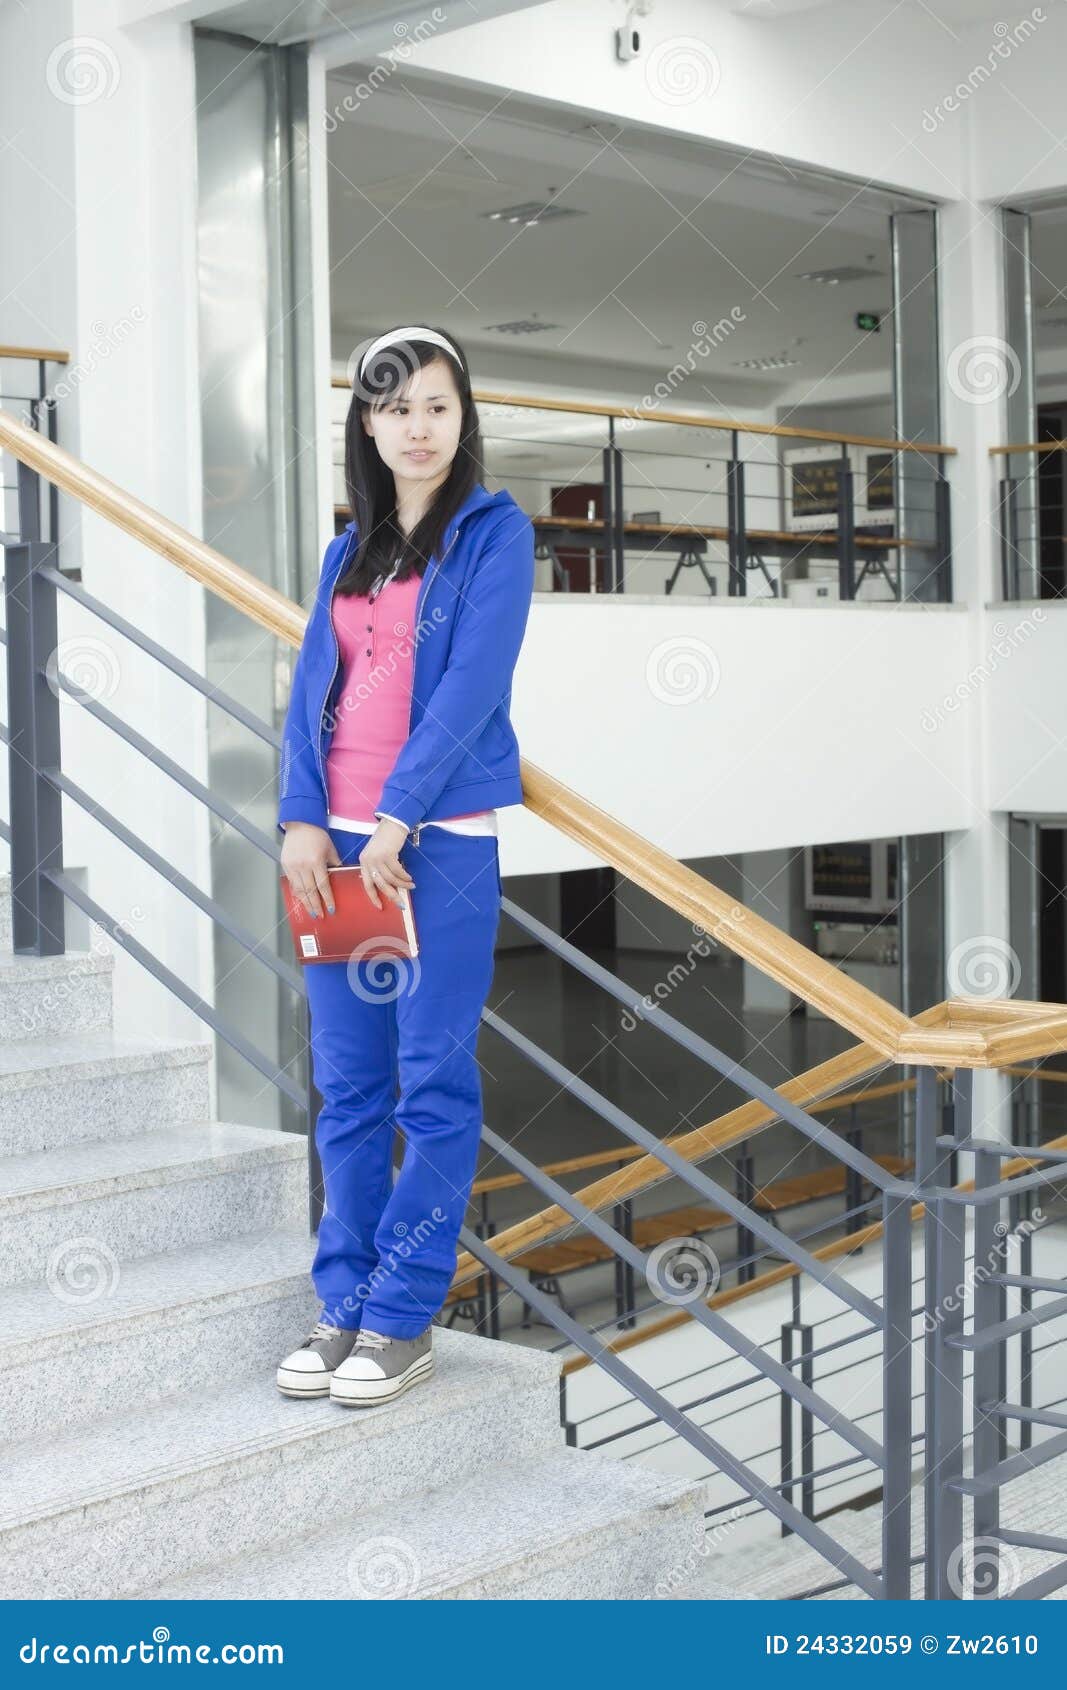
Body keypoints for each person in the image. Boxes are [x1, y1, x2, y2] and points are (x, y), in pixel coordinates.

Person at [274, 324, 534, 1408]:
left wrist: (396, 816)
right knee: (347, 1085)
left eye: (435, 405)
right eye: (394, 409)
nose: (416, 427)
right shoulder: (349, 550)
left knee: (429, 1084)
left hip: (439, 848)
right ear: (367, 425)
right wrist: (302, 817)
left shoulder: (494, 532)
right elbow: (306, 696)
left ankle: (403, 1310)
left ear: (462, 416)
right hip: (336, 852)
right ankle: (341, 1299)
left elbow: (472, 686)